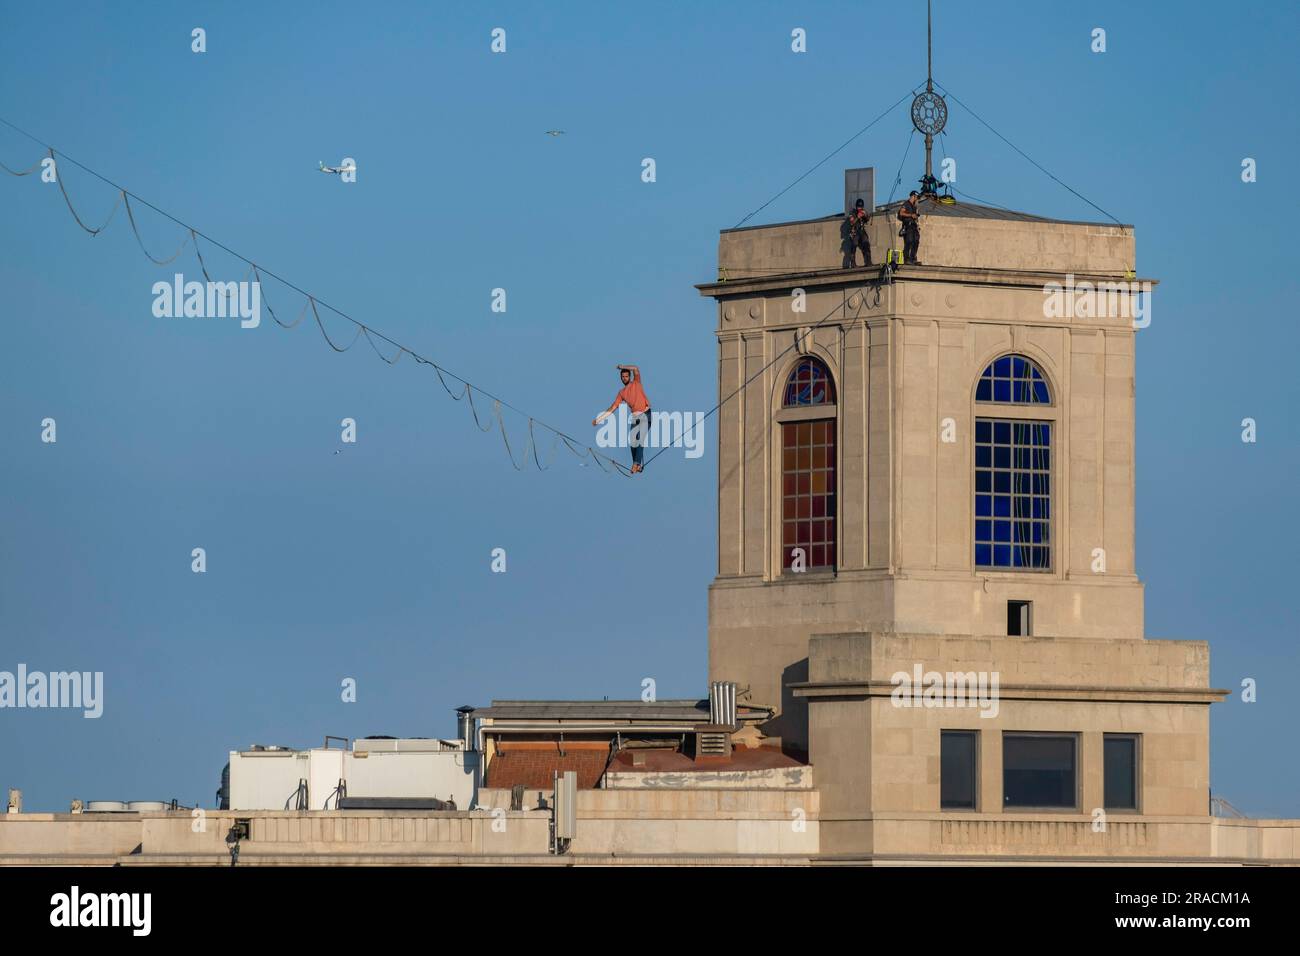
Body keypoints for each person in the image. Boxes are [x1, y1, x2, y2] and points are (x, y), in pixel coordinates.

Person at [593, 364, 652, 474]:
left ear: (629, 377)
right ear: (621, 378)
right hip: (635, 417)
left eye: (626, 376)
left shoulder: (636, 382)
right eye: (623, 377)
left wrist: (622, 367)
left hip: (645, 414)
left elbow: (636, 368)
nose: (624, 378)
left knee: (640, 439)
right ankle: (637, 464)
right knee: (632, 441)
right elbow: (613, 408)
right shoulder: (622, 393)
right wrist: (599, 419)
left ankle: (636, 464)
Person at [842, 198, 872, 268]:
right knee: (853, 247)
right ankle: (853, 264)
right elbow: (852, 222)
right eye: (858, 207)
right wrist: (857, 217)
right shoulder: (852, 213)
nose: (859, 208)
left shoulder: (863, 211)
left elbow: (868, 218)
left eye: (861, 207)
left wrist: (864, 215)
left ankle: (868, 262)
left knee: (866, 245)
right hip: (855, 232)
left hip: (862, 231)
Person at [898, 190, 922, 265]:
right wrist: (911, 215)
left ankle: (913, 258)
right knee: (909, 241)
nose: (917, 199)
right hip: (908, 225)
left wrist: (917, 224)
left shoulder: (914, 206)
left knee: (916, 241)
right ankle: (907, 259)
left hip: (914, 226)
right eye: (916, 197)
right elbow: (901, 213)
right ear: (913, 196)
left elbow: (915, 217)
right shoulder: (906, 204)